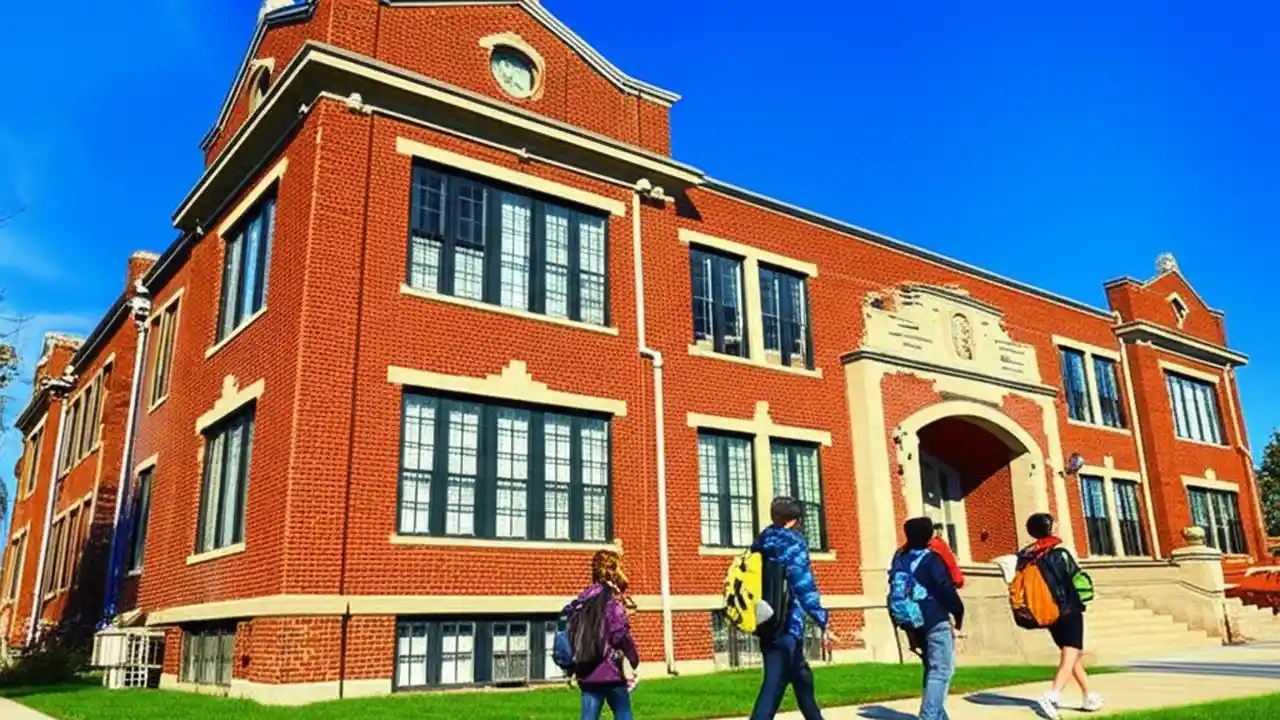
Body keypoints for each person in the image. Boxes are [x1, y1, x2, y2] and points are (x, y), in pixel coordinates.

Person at [750, 496, 837, 720]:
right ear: (794, 520)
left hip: (765, 618)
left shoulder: (761, 541)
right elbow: (803, 584)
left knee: (802, 677)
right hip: (787, 622)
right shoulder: (793, 543)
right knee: (773, 685)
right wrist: (822, 618)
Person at [1018, 513, 1103, 718]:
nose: (1057, 526)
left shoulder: (1027, 556)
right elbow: (1076, 577)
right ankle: (1052, 695)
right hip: (1069, 608)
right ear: (1049, 528)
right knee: (1071, 653)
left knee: (1073, 656)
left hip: (1048, 610)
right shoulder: (1060, 553)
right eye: (1054, 523)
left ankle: (1088, 695)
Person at [893, 517, 966, 720]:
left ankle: (938, 715)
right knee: (942, 670)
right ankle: (930, 715)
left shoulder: (900, 558)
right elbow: (945, 589)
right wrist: (959, 614)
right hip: (934, 619)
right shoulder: (931, 559)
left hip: (912, 621)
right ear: (927, 535)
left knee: (931, 667)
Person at [562, 550, 640, 720]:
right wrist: (633, 659)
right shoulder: (611, 602)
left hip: (586, 670)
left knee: (588, 716)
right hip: (611, 672)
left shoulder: (582, 601)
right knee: (623, 712)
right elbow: (619, 635)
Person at [929, 523, 965, 589]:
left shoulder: (941, 542)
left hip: (949, 571)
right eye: (938, 530)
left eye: (941, 530)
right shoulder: (933, 543)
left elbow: (947, 553)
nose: (940, 532)